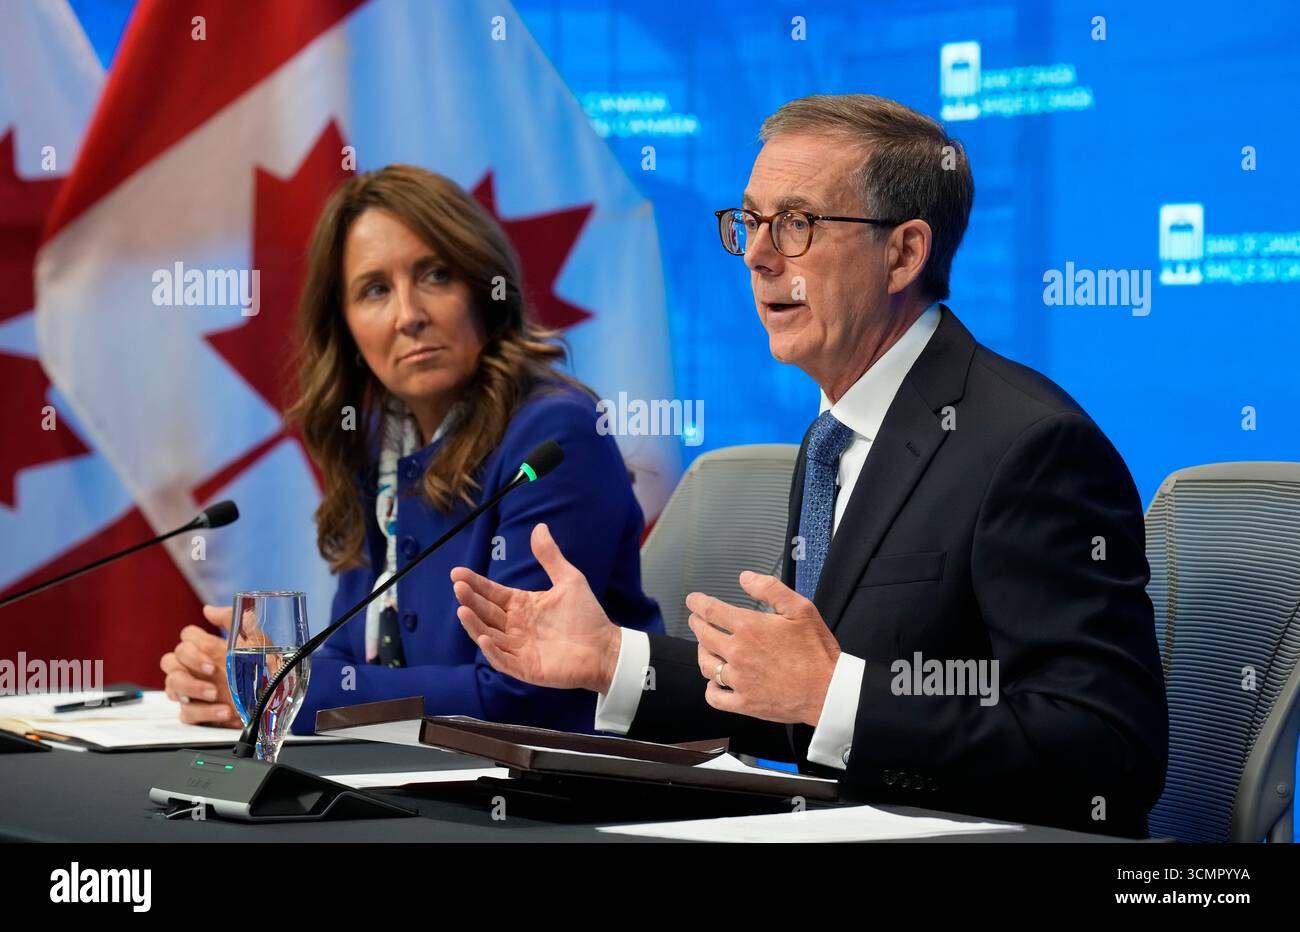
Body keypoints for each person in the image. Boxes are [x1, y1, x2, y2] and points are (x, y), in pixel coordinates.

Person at [451, 95, 1169, 837]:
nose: (759, 255)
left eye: (797, 224)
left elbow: (1109, 753)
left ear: (904, 254)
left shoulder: (1031, 448)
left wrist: (834, 693)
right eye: (751, 222)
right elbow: (796, 710)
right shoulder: (835, 436)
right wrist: (610, 660)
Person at [159, 165, 661, 735]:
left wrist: (286, 687)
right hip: (420, 782)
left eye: (436, 275)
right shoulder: (380, 440)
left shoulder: (554, 436)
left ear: (482, 286)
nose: (408, 315)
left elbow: (519, 695)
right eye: (375, 290)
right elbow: (353, 663)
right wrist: (238, 678)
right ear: (343, 325)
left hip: (563, 798)